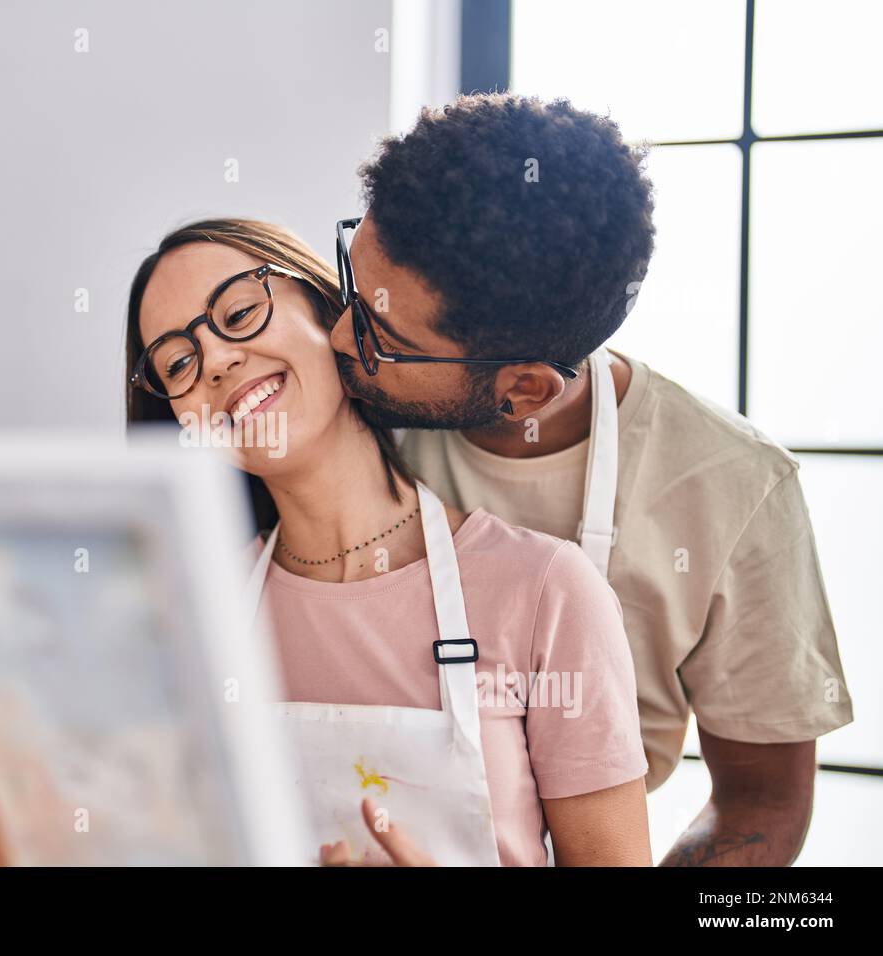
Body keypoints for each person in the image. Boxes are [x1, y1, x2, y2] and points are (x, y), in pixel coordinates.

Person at [332, 93, 854, 866]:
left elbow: (763, 801)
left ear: (528, 390)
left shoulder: (734, 488)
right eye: (351, 280)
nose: (339, 336)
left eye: (384, 341)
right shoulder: (333, 402)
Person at [125, 217, 651, 866]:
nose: (218, 361)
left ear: (331, 313)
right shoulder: (190, 616)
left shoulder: (544, 590)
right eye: (178, 362)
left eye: (239, 311)